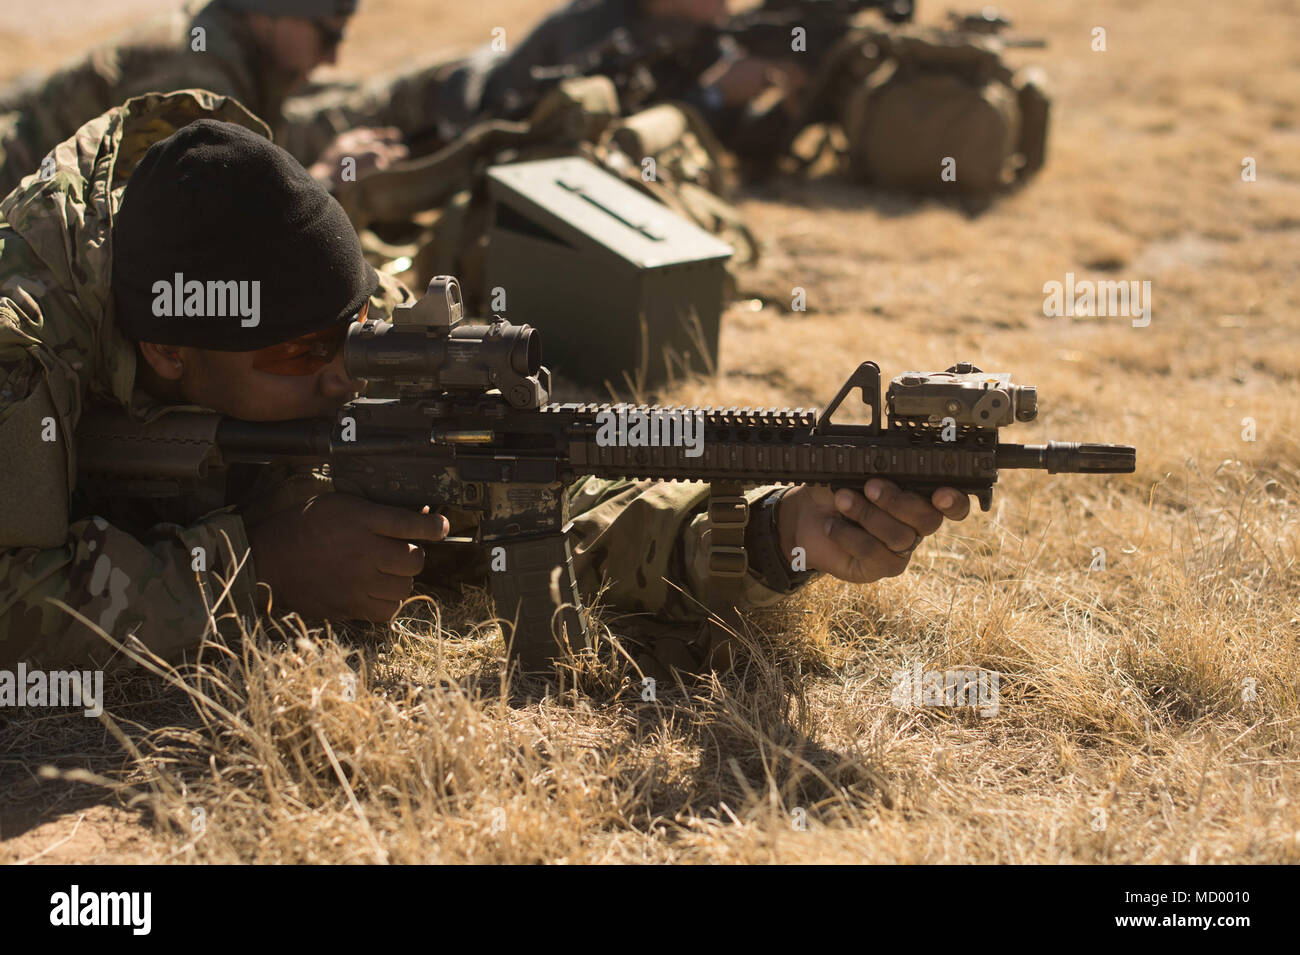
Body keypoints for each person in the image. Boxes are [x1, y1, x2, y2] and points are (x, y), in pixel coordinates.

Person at [0, 90, 970, 673]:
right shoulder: (22, 350)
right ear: (170, 352)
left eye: (353, 335)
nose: (344, 374)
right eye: (302, 356)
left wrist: (772, 534)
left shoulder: (330, 307)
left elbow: (540, 492)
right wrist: (256, 571)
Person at [0, 0, 410, 197]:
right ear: (272, 12)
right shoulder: (195, 74)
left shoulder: (243, 49)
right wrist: (326, 179)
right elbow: (205, 220)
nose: (333, 57)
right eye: (329, 34)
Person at [433, 0, 808, 148]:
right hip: (450, 105)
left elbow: (733, 140)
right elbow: (591, 134)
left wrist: (789, 106)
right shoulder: (595, 31)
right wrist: (712, 96)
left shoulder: (699, 35)